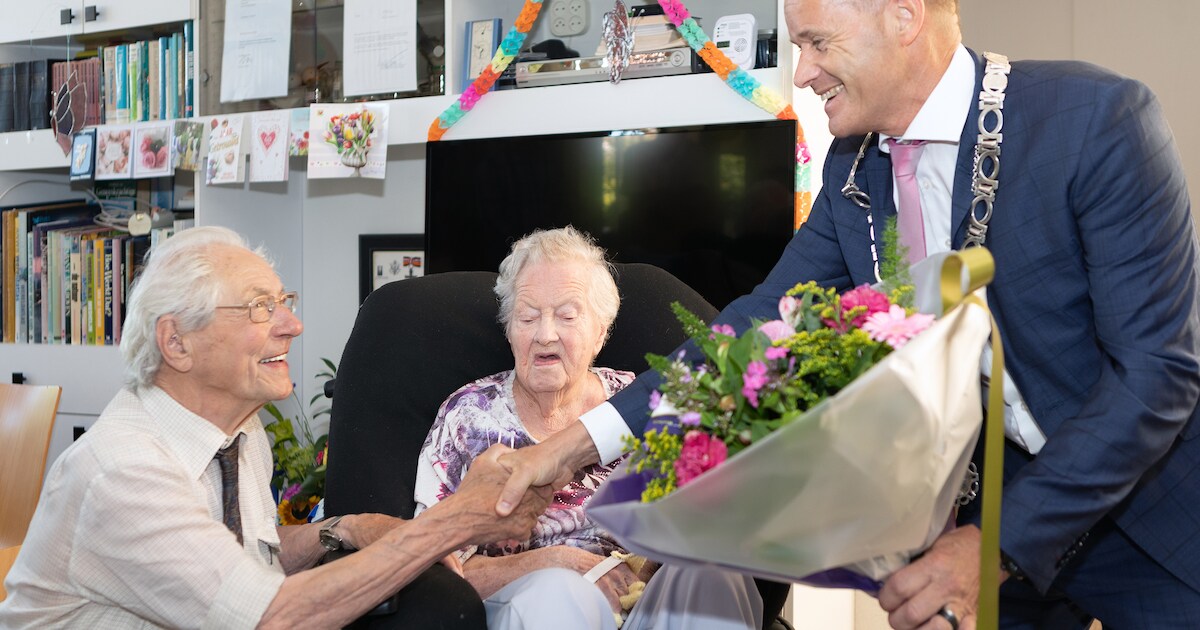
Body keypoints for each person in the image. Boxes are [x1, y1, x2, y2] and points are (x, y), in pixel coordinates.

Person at [491, 1, 1200, 628]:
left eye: (818, 43)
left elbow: (1157, 375)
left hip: (1146, 518)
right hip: (978, 523)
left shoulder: (1094, 120)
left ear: (904, 15)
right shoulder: (851, 168)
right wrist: (569, 448)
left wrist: (997, 546)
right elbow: (760, 320)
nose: (801, 74)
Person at [0, 226, 550, 629]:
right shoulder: (124, 471)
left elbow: (245, 561)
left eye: (282, 303)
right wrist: (457, 519)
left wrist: (342, 529)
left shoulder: (237, 432)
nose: (292, 325)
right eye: (260, 308)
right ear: (176, 342)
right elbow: (273, 619)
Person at [414, 226, 763, 630]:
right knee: (559, 592)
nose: (545, 334)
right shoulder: (469, 418)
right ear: (509, 330)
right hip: (529, 605)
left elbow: (699, 517)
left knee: (713, 572)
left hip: (643, 603)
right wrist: (555, 562)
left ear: (600, 332)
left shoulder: (638, 404)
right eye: (528, 317)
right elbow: (436, 566)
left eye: (566, 316)